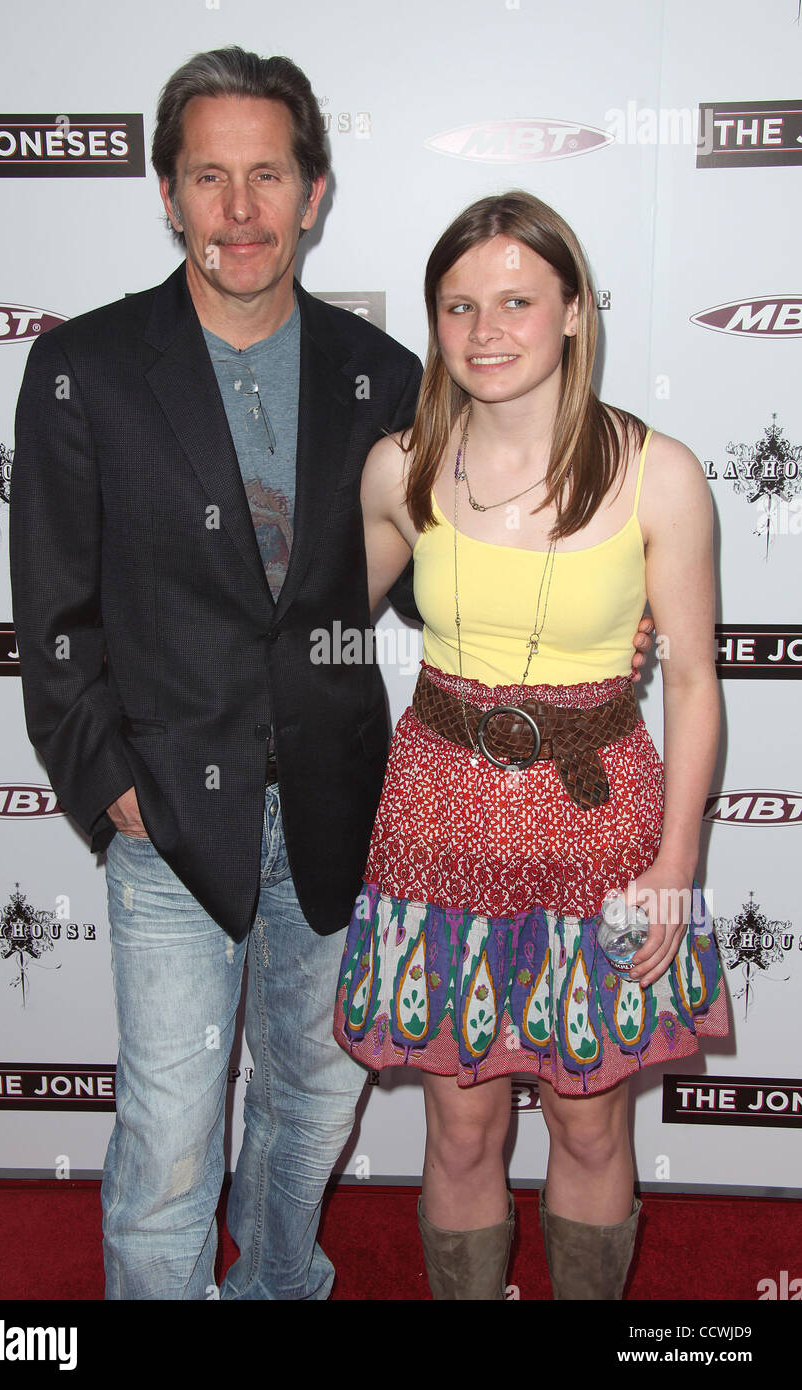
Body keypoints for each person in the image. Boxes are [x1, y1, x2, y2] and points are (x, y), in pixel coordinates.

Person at [10, 45, 655, 1300]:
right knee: (172, 1134)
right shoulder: (84, 369)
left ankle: (274, 1287)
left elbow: (437, 577)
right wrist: (113, 793)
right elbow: (52, 617)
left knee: (310, 1108)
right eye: (210, 178)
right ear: (166, 194)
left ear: (315, 193)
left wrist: (586, 619)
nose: (240, 210)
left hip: (343, 814)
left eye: (268, 176)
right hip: (168, 815)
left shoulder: (384, 376)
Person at [334, 191, 729, 1301]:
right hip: (435, 821)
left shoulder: (662, 475)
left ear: (572, 313)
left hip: (604, 831)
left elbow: (694, 680)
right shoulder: (400, 470)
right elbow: (317, 637)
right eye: (460, 305)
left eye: (516, 299)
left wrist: (676, 869)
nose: (487, 329)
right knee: (460, 1127)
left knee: (589, 1121)